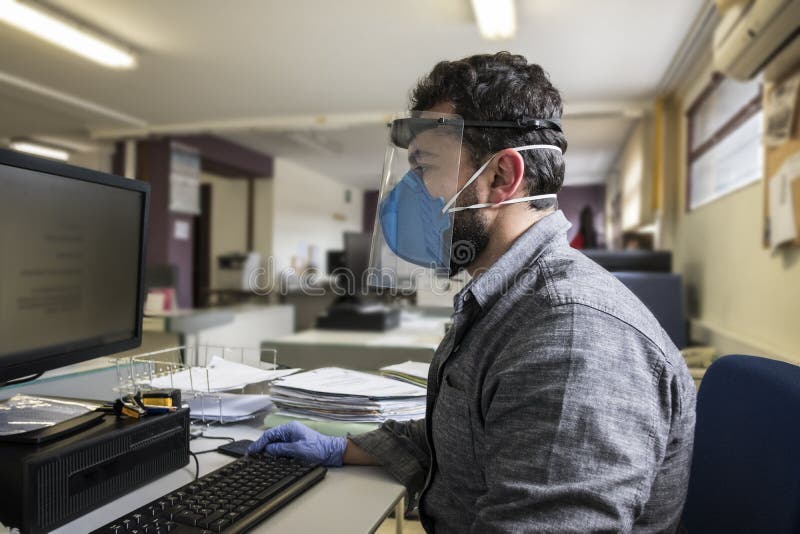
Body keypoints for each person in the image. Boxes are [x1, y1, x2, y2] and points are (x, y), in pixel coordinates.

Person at [249, 52, 696, 533]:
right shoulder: (508, 299)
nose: (411, 191)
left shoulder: (571, 337)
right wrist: (343, 447)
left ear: (502, 177)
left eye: (425, 166)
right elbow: (472, 432)